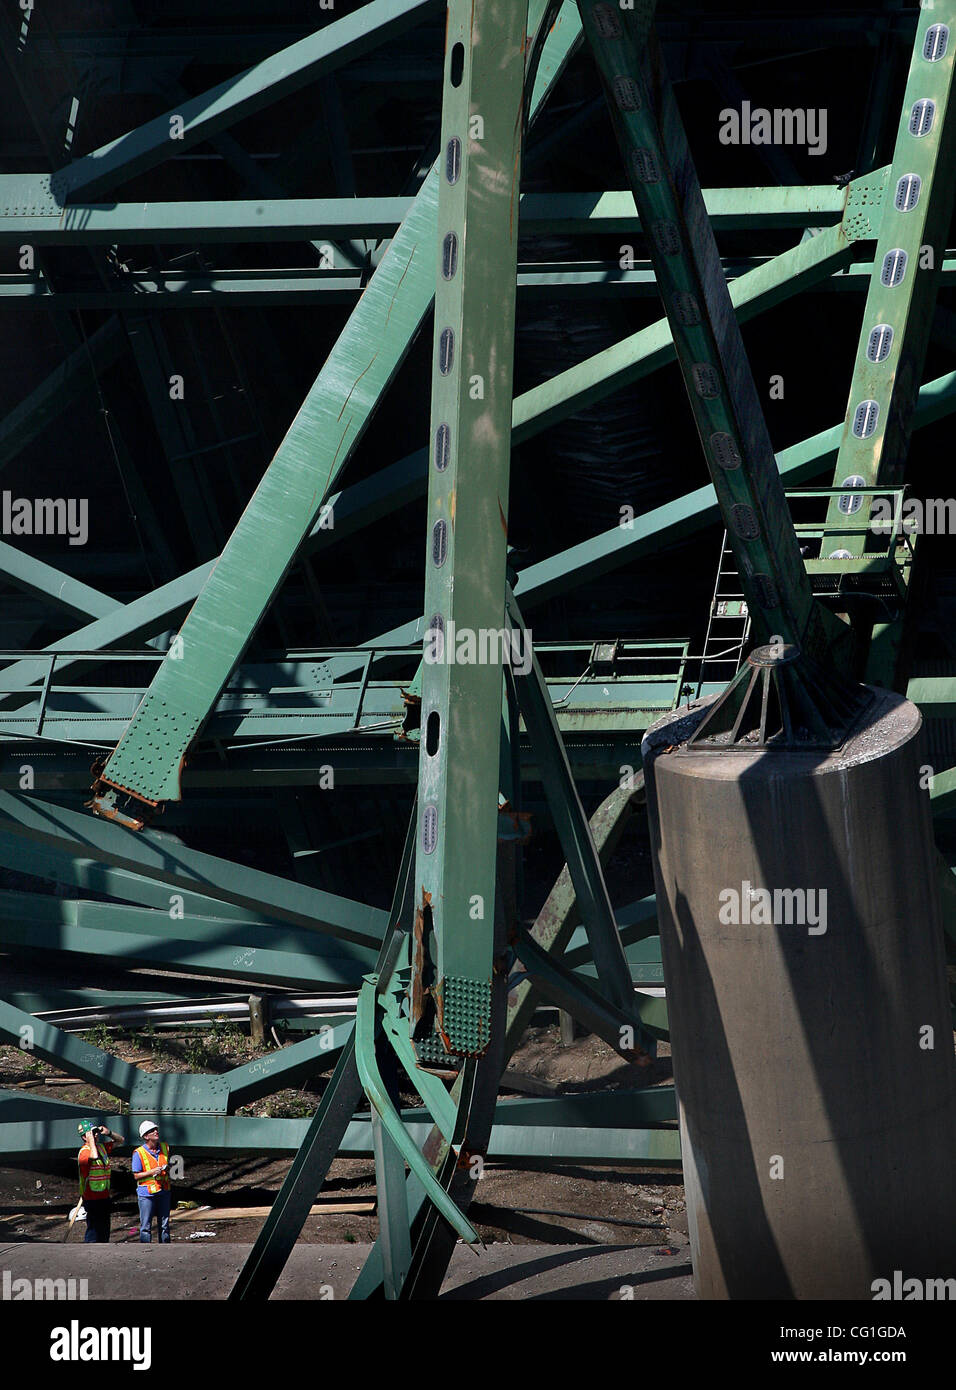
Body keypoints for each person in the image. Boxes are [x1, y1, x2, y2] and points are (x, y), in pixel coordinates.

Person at [76, 1119, 123, 1243]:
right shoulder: (84, 1153)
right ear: (84, 1137)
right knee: (93, 1232)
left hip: (104, 1195)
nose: (96, 1135)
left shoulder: (101, 1148)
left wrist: (109, 1133)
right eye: (92, 1133)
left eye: (96, 1132)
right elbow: (94, 1156)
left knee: (104, 1231)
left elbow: (120, 1140)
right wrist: (91, 1140)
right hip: (91, 1198)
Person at [132, 1120, 172, 1243]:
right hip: (147, 1193)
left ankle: (166, 1249)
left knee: (164, 1225)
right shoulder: (139, 1153)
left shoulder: (165, 1147)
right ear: (145, 1136)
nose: (156, 1132)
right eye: (151, 1131)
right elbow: (136, 1176)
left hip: (163, 1190)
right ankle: (146, 1250)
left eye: (156, 1129)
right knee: (146, 1226)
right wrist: (153, 1172)